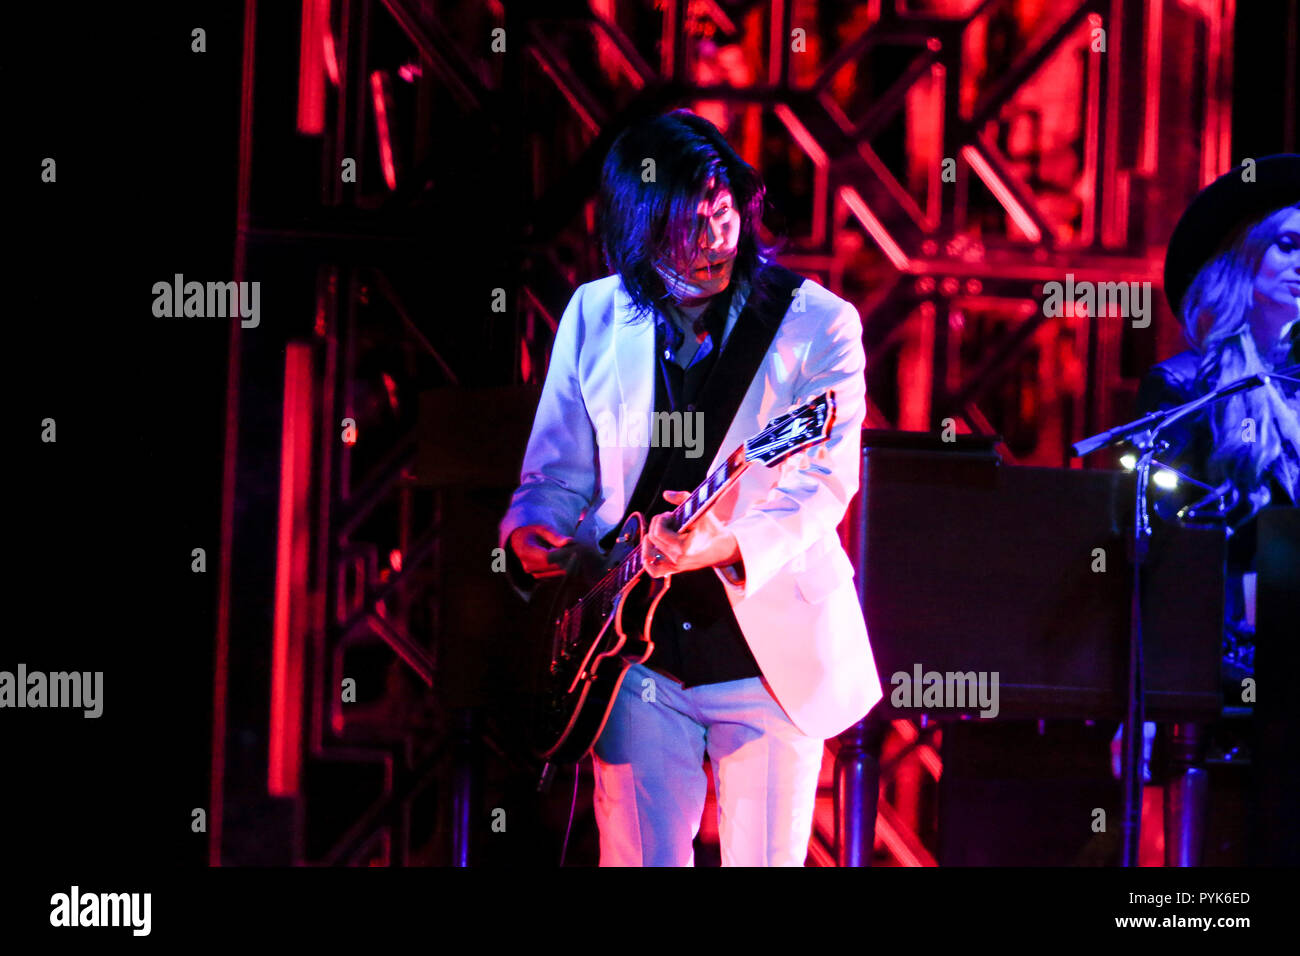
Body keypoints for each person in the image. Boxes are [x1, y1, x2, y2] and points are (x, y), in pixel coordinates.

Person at [498, 109, 882, 866]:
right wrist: (529, 531)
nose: (713, 240)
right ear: (638, 226)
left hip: (767, 656)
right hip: (627, 655)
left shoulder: (818, 324)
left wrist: (723, 541)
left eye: (723, 213)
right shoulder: (595, 314)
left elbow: (822, 482)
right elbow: (558, 470)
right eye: (687, 224)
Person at [1137, 155, 1300, 679]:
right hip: (1228, 669)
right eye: (1288, 245)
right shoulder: (1186, 388)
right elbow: (1165, 557)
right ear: (1242, 256)